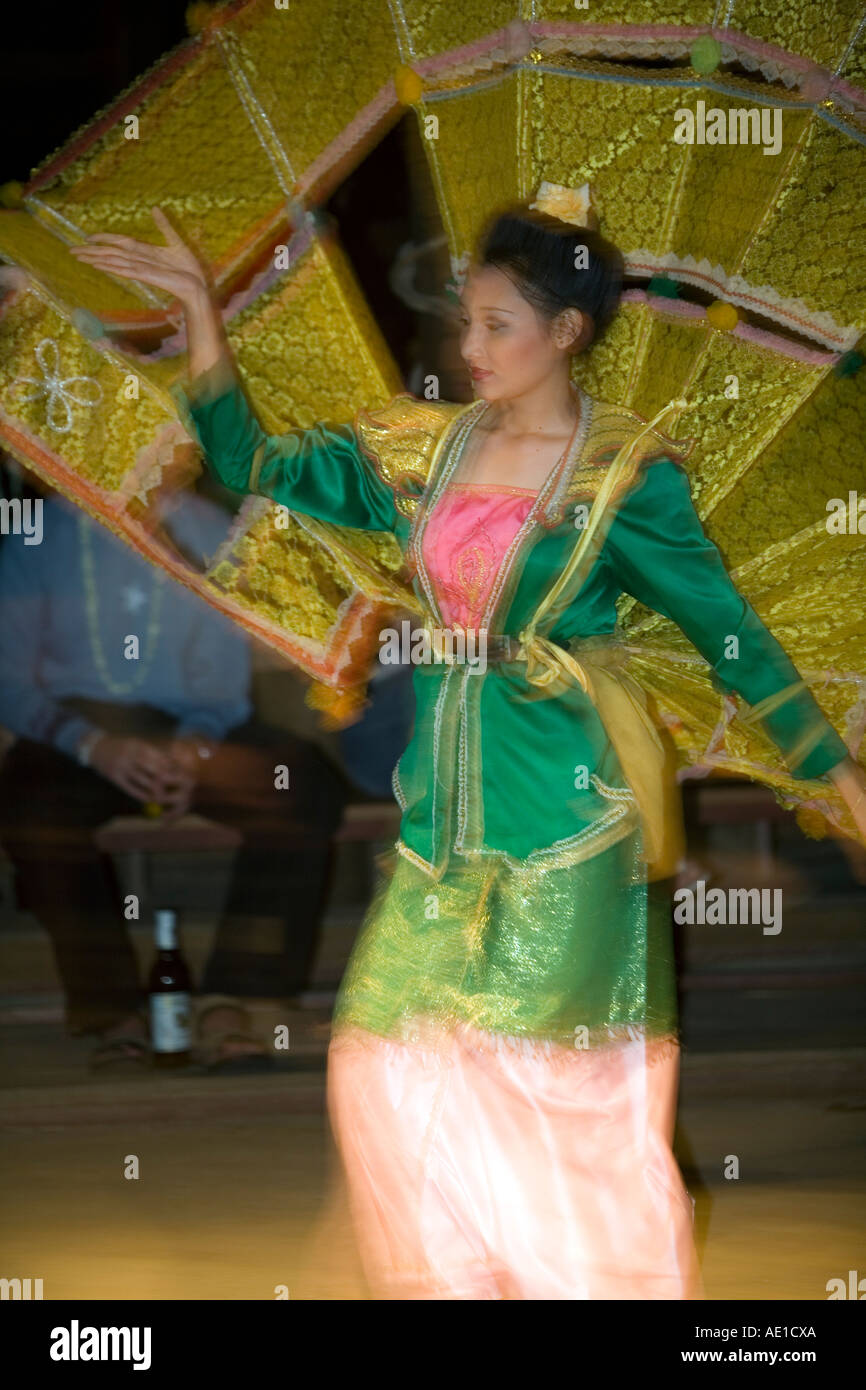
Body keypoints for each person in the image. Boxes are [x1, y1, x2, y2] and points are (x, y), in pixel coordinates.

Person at [71, 197, 866, 1297]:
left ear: (566, 332)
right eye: (468, 324)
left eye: (497, 325)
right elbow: (251, 460)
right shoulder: (415, 455)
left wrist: (832, 770)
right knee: (377, 1066)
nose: (469, 348)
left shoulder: (625, 479)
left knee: (555, 1089)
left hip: (566, 810)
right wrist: (201, 312)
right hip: (440, 820)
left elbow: (724, 628)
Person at [0, 483, 348, 1070]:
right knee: (30, 801)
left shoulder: (209, 528)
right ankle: (113, 1010)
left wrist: (198, 746)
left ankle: (238, 996)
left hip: (191, 727)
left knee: (299, 781)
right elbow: (8, 679)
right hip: (77, 731)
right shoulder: (39, 529)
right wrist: (94, 745)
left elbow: (223, 676)